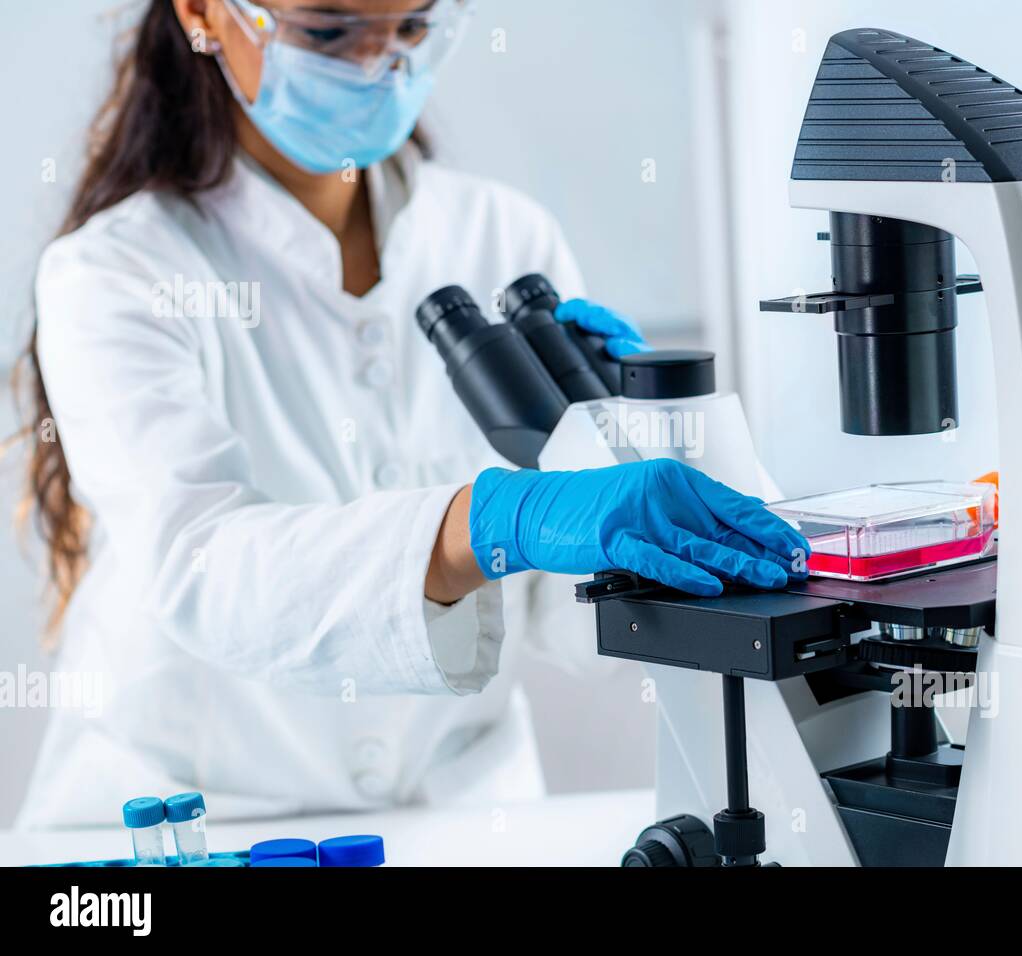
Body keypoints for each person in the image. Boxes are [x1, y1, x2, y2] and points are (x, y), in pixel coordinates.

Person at [14, 0, 806, 826]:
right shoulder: (115, 272)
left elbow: (572, 625)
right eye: (327, 33)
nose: (376, 66)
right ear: (206, 13)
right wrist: (491, 520)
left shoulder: (499, 233)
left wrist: (643, 443)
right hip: (197, 816)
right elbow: (203, 564)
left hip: (457, 812)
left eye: (413, 30)